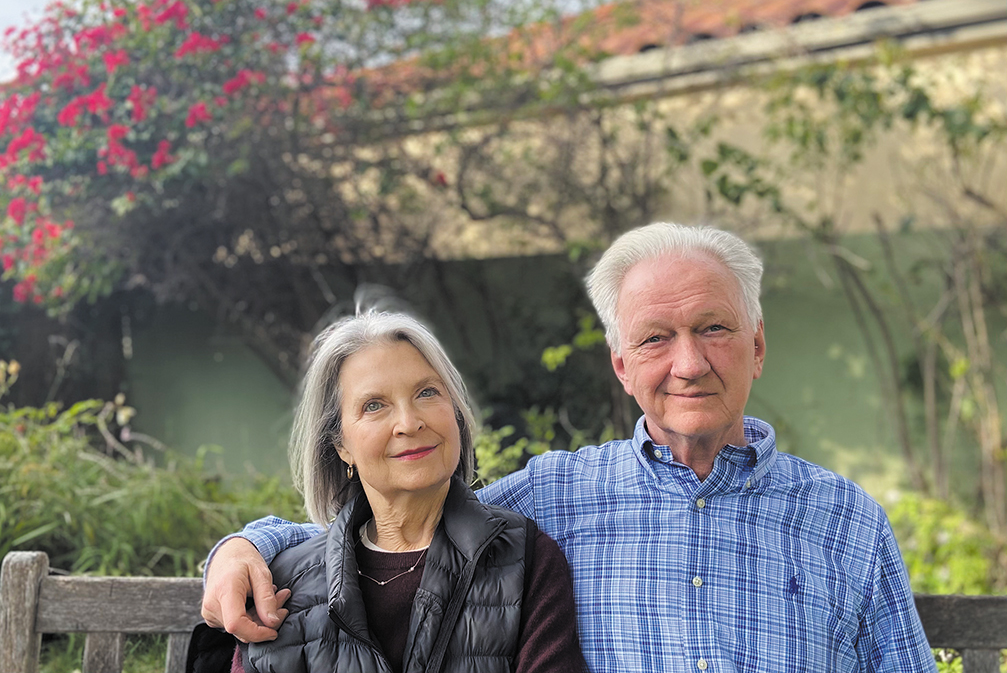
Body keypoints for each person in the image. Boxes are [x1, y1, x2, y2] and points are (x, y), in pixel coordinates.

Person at [200, 223, 938, 672]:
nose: (687, 363)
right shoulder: (558, 498)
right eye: (654, 338)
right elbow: (391, 522)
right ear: (622, 366)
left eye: (712, 328)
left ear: (756, 345)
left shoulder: (845, 520)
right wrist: (242, 545)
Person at [187, 312, 586, 673]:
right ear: (341, 445)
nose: (409, 422)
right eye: (375, 405)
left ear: (457, 413)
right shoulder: (280, 583)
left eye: (427, 393)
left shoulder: (525, 557)